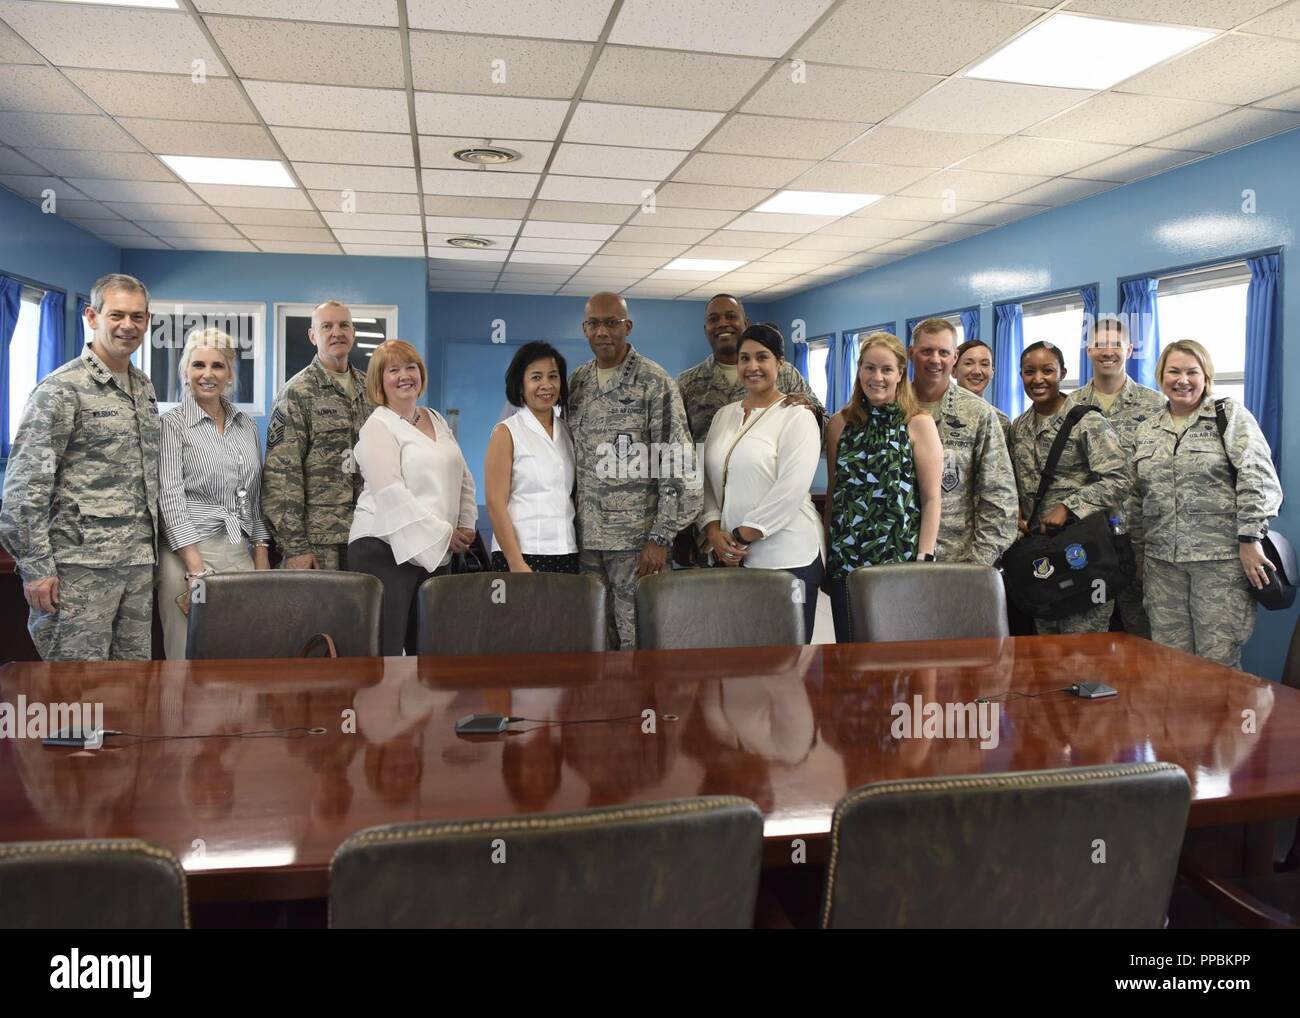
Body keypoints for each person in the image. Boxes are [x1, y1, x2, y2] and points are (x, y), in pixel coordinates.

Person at [0, 273, 161, 660]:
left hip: (137, 567)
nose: (128, 326)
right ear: (92, 316)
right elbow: (23, 488)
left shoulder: (142, 386)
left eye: (137, 317)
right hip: (78, 570)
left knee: (131, 687)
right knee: (75, 690)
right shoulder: (60, 389)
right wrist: (36, 567)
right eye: (117, 315)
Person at [1131, 340, 1282, 668]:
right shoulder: (1147, 430)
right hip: (1161, 566)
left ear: (1205, 376)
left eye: (1191, 372)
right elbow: (1136, 498)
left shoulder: (1228, 416)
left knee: (1218, 662)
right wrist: (1140, 553)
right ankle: (1179, 722)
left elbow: (1259, 478)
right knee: (1170, 661)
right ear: (1161, 376)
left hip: (1220, 563)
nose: (1182, 380)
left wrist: (1250, 539)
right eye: (1174, 371)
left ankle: (1223, 722)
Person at [568, 292, 701, 649]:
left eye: (612, 323)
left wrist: (661, 537)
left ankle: (645, 708)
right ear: (584, 329)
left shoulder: (654, 382)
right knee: (596, 638)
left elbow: (677, 462)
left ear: (628, 327)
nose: (603, 331)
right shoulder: (579, 382)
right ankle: (607, 707)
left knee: (640, 639)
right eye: (594, 323)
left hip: (637, 545)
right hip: (588, 541)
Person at [347, 340, 477, 656]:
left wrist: (467, 523)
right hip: (384, 548)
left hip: (436, 549)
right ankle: (382, 708)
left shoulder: (434, 417)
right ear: (380, 381)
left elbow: (462, 474)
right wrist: (445, 535)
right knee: (386, 653)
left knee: (430, 650)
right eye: (393, 370)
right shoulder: (377, 426)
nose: (404, 376)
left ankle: (423, 708)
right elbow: (392, 495)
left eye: (411, 367)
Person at [700, 324, 824, 642]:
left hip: (787, 558)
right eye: (744, 358)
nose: (752, 366)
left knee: (785, 662)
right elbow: (711, 484)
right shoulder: (723, 416)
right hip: (733, 559)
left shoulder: (797, 416)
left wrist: (740, 537)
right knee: (740, 654)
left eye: (762, 357)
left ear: (780, 363)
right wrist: (713, 530)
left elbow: (791, 490)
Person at [157, 328, 272, 660]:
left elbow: (254, 495)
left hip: (238, 550)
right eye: (198, 365)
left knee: (241, 653)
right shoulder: (171, 425)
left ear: (230, 373)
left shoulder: (246, 425)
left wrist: (261, 555)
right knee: (186, 655)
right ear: (185, 372)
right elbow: (170, 498)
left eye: (217, 366)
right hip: (187, 555)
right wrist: (195, 569)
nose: (207, 374)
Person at [825, 331, 942, 642]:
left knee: (896, 656)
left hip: (899, 561)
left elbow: (932, 499)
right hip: (846, 560)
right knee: (850, 654)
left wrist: (924, 558)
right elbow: (835, 494)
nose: (877, 377)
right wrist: (827, 556)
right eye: (869, 368)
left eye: (886, 369)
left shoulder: (918, 422)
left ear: (900, 373)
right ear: (859, 370)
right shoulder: (839, 424)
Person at [1007, 341, 1130, 635]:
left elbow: (1119, 480)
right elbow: (1015, 480)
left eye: (1047, 370)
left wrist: (1068, 507)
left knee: (1084, 648)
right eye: (1029, 371)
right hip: (1041, 555)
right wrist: (1018, 514)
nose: (1038, 379)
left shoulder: (1087, 421)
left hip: (1085, 552)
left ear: (1063, 372)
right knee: (1046, 648)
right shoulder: (1019, 427)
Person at [1068, 315, 1166, 639]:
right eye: (1099, 344)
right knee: (1091, 629)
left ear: (1130, 349)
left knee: (1142, 629)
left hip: (1139, 535)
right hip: (1090, 533)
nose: (1107, 352)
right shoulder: (1072, 405)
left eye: (1115, 344)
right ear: (1088, 350)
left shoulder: (1155, 405)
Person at [261, 299, 373, 570]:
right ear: (313, 336)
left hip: (367, 533)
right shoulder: (297, 393)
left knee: (365, 612)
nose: (337, 332)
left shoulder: (369, 389)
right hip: (319, 542)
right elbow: (281, 476)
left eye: (344, 325)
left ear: (353, 333)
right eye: (327, 326)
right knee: (320, 613)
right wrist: (295, 546)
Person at [909, 319, 1017, 565]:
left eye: (943, 352)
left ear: (954, 357)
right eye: (926, 351)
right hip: (894, 554)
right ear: (911, 353)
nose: (935, 360)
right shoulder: (891, 408)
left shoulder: (978, 414)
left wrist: (978, 565)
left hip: (956, 559)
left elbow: (1000, 498)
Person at [678, 293, 824, 443]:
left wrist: (811, 413)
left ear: (746, 323)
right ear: (705, 329)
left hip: (774, 464)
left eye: (731, 316)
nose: (722, 323)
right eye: (713, 319)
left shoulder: (785, 373)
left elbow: (825, 427)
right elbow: (675, 443)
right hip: (708, 466)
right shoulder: (687, 383)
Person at [484, 341, 578, 574]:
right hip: (521, 554)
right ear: (520, 385)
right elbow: (496, 504)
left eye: (553, 377)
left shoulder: (567, 431)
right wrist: (516, 563)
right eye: (536, 377)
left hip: (565, 551)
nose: (546, 385)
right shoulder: (506, 432)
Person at [954, 338, 1010, 431]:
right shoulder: (937, 413)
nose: (977, 371)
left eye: (984, 364)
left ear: (992, 373)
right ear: (953, 370)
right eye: (968, 363)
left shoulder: (1001, 421)